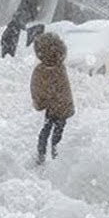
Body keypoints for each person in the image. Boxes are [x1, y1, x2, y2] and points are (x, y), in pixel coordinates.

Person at [30, 32, 74, 165]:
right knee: (56, 134)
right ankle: (56, 156)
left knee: (46, 131)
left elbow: (37, 88)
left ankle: (43, 155)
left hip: (52, 107)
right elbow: (63, 88)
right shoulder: (60, 67)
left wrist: (41, 103)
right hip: (62, 106)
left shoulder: (41, 70)